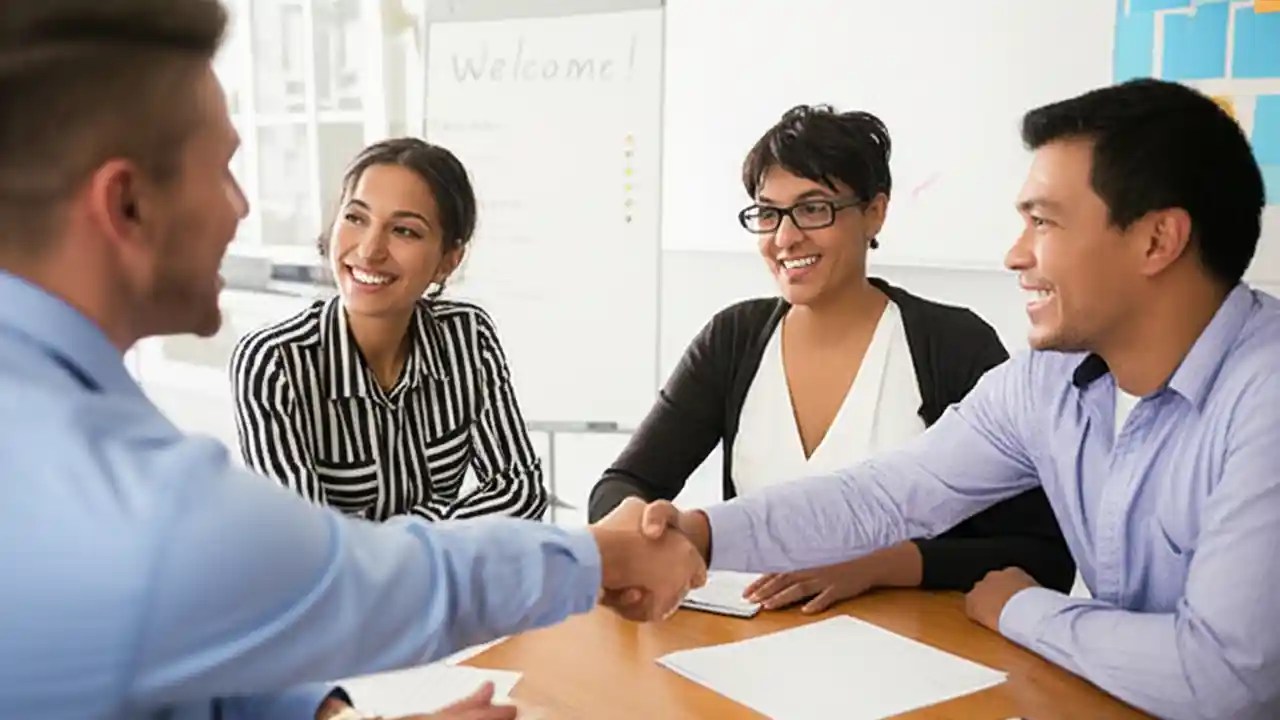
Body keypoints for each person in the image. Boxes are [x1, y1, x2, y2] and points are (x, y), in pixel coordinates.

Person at [0, 2, 704, 719]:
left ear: (447, 260)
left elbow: (177, 662)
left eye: (404, 230)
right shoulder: (108, 486)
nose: (243, 209)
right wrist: (603, 557)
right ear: (126, 206)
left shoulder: (65, 409)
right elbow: (316, 581)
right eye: (222, 172)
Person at [623, 78, 1280, 720]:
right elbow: (881, 496)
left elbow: (1222, 680)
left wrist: (1021, 607)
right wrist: (699, 535)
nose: (1014, 256)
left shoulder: (1265, 396)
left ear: (1156, 240)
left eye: (1043, 223)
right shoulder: (1046, 384)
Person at [588, 105, 1074, 612]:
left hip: (906, 650)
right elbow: (625, 483)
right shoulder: (734, 338)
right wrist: (640, 526)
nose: (785, 237)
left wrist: (879, 565)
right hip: (744, 645)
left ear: (875, 212)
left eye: (814, 209)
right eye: (768, 212)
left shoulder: (950, 344)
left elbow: (1041, 555)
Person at [232, 138, 548, 522]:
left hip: (444, 583)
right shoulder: (274, 363)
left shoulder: (468, 337)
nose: (369, 250)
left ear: (449, 260)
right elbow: (307, 544)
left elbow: (519, 492)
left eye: (405, 231)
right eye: (356, 218)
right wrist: (444, 536)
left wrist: (382, 544)